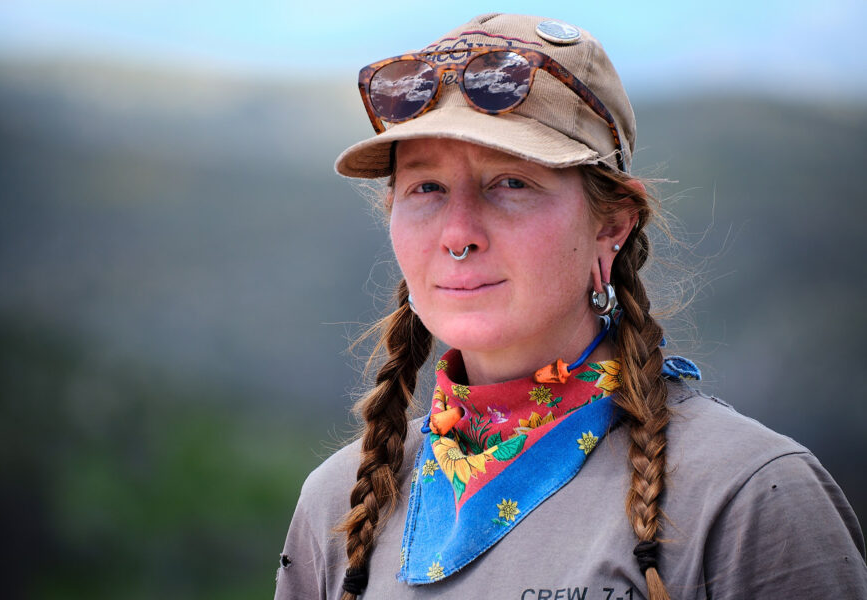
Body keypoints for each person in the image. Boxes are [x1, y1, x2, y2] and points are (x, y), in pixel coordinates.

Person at [276, 13, 867, 600]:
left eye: (511, 183)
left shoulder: (747, 495)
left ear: (612, 223)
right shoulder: (341, 505)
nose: (457, 234)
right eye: (425, 188)